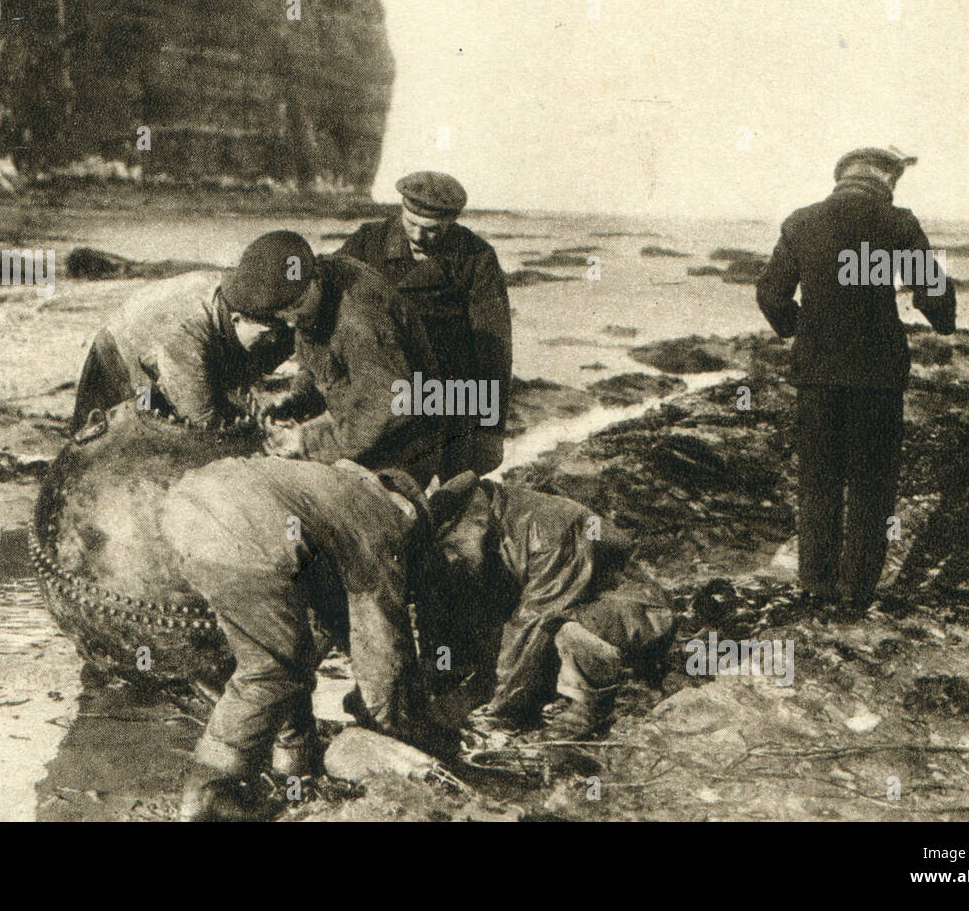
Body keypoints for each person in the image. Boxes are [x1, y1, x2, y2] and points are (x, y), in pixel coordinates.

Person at [169, 456, 443, 821]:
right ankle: (208, 791)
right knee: (269, 667)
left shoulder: (328, 488)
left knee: (283, 652)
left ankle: (292, 764)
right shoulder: (384, 519)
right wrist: (389, 731)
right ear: (410, 513)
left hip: (188, 509)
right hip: (242, 531)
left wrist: (300, 752)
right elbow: (381, 645)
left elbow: (317, 631)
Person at [756, 147, 956, 612]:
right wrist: (945, 322)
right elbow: (932, 289)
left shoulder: (801, 221)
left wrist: (797, 328)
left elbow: (770, 292)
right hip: (878, 373)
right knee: (872, 483)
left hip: (817, 371)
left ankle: (814, 585)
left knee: (818, 479)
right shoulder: (898, 222)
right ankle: (857, 592)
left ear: (842, 177)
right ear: (885, 179)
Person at [425, 472, 675, 742]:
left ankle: (587, 706)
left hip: (632, 611)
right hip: (574, 608)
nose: (451, 557)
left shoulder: (547, 527)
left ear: (476, 521)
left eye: (453, 546)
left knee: (568, 627)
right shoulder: (492, 521)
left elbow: (536, 619)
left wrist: (499, 712)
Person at [226, 230, 444, 485]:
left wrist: (307, 442)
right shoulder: (308, 286)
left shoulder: (359, 320)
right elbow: (321, 364)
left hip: (402, 450)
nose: (291, 321)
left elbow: (390, 406)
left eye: (296, 308)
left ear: (315, 277)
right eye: (282, 314)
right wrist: (296, 400)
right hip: (358, 426)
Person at [339, 172, 512, 478]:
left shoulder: (477, 257)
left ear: (453, 222)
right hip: (382, 400)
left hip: (449, 404)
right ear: (401, 209)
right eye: (410, 223)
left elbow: (493, 350)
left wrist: (491, 429)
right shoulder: (366, 243)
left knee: (451, 501)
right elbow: (324, 311)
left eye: (432, 231)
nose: (418, 237)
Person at [70, 268, 292, 432]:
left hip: (165, 343)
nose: (271, 341)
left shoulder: (239, 296)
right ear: (236, 319)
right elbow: (201, 418)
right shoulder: (189, 330)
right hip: (123, 355)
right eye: (264, 334)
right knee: (116, 432)